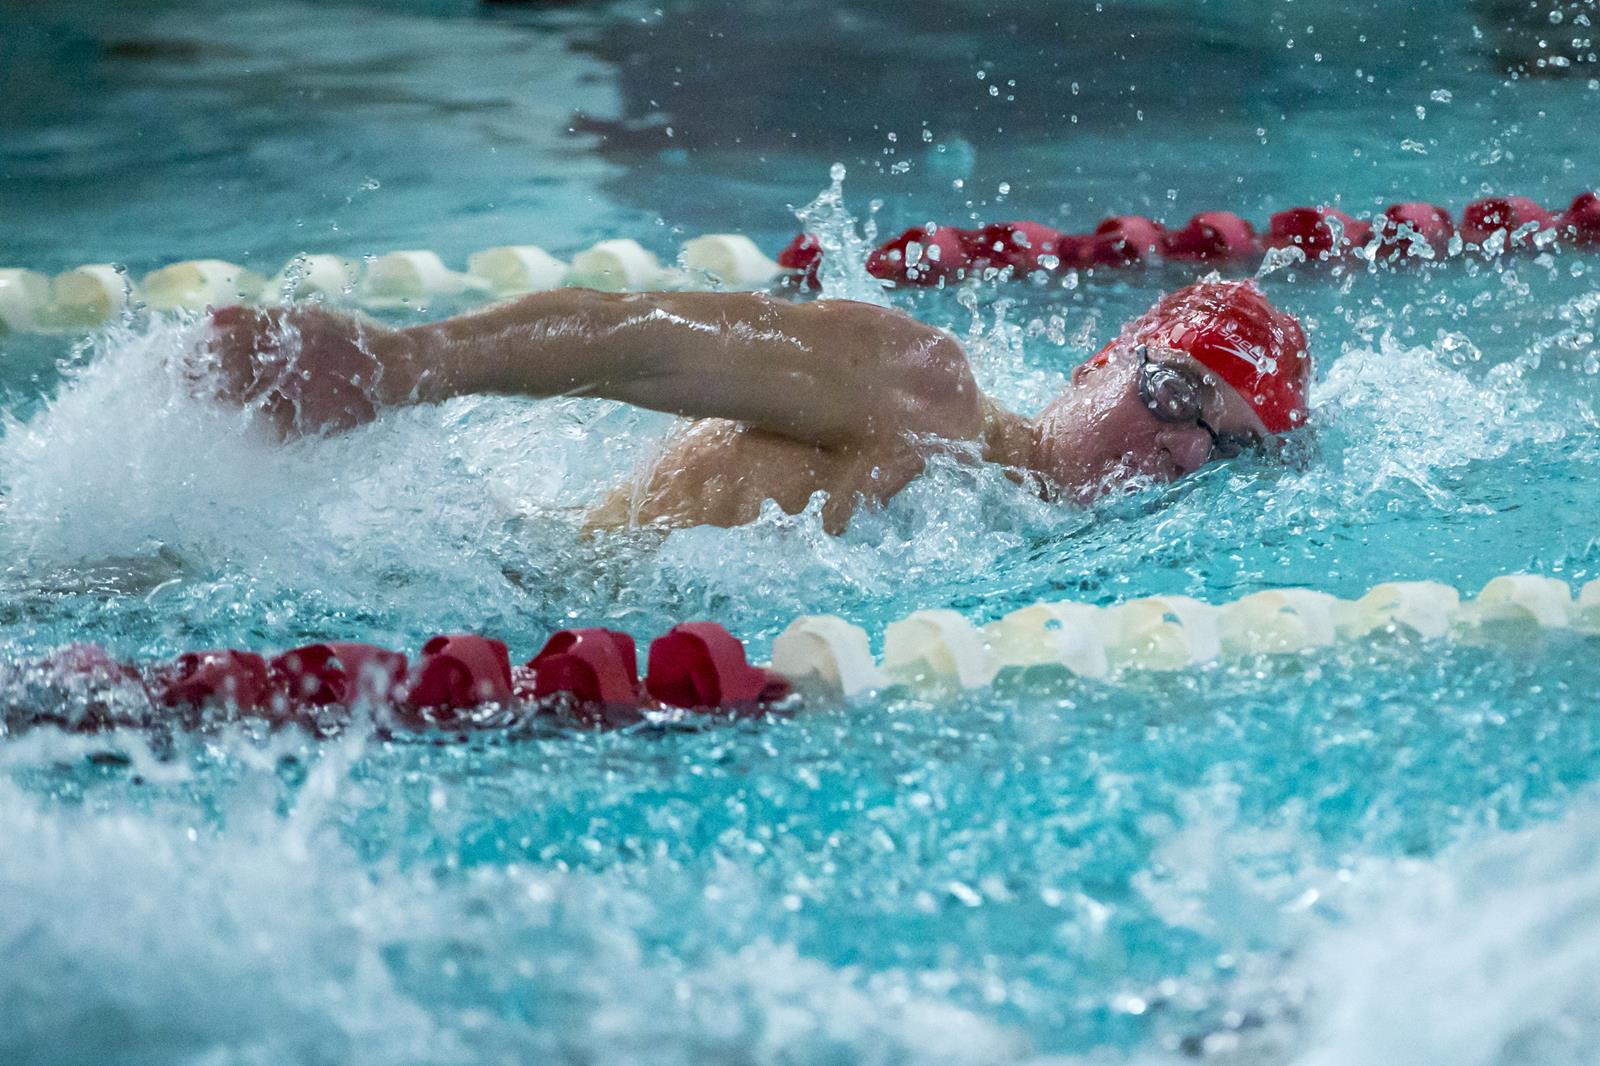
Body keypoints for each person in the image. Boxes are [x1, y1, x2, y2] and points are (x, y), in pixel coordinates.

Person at [202, 277, 1310, 534]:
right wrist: (407, 362)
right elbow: (648, 344)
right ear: (1099, 363)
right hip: (510, 604)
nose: (1177, 446)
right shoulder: (926, 395)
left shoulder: (1024, 527)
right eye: (1174, 392)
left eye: (1225, 447)